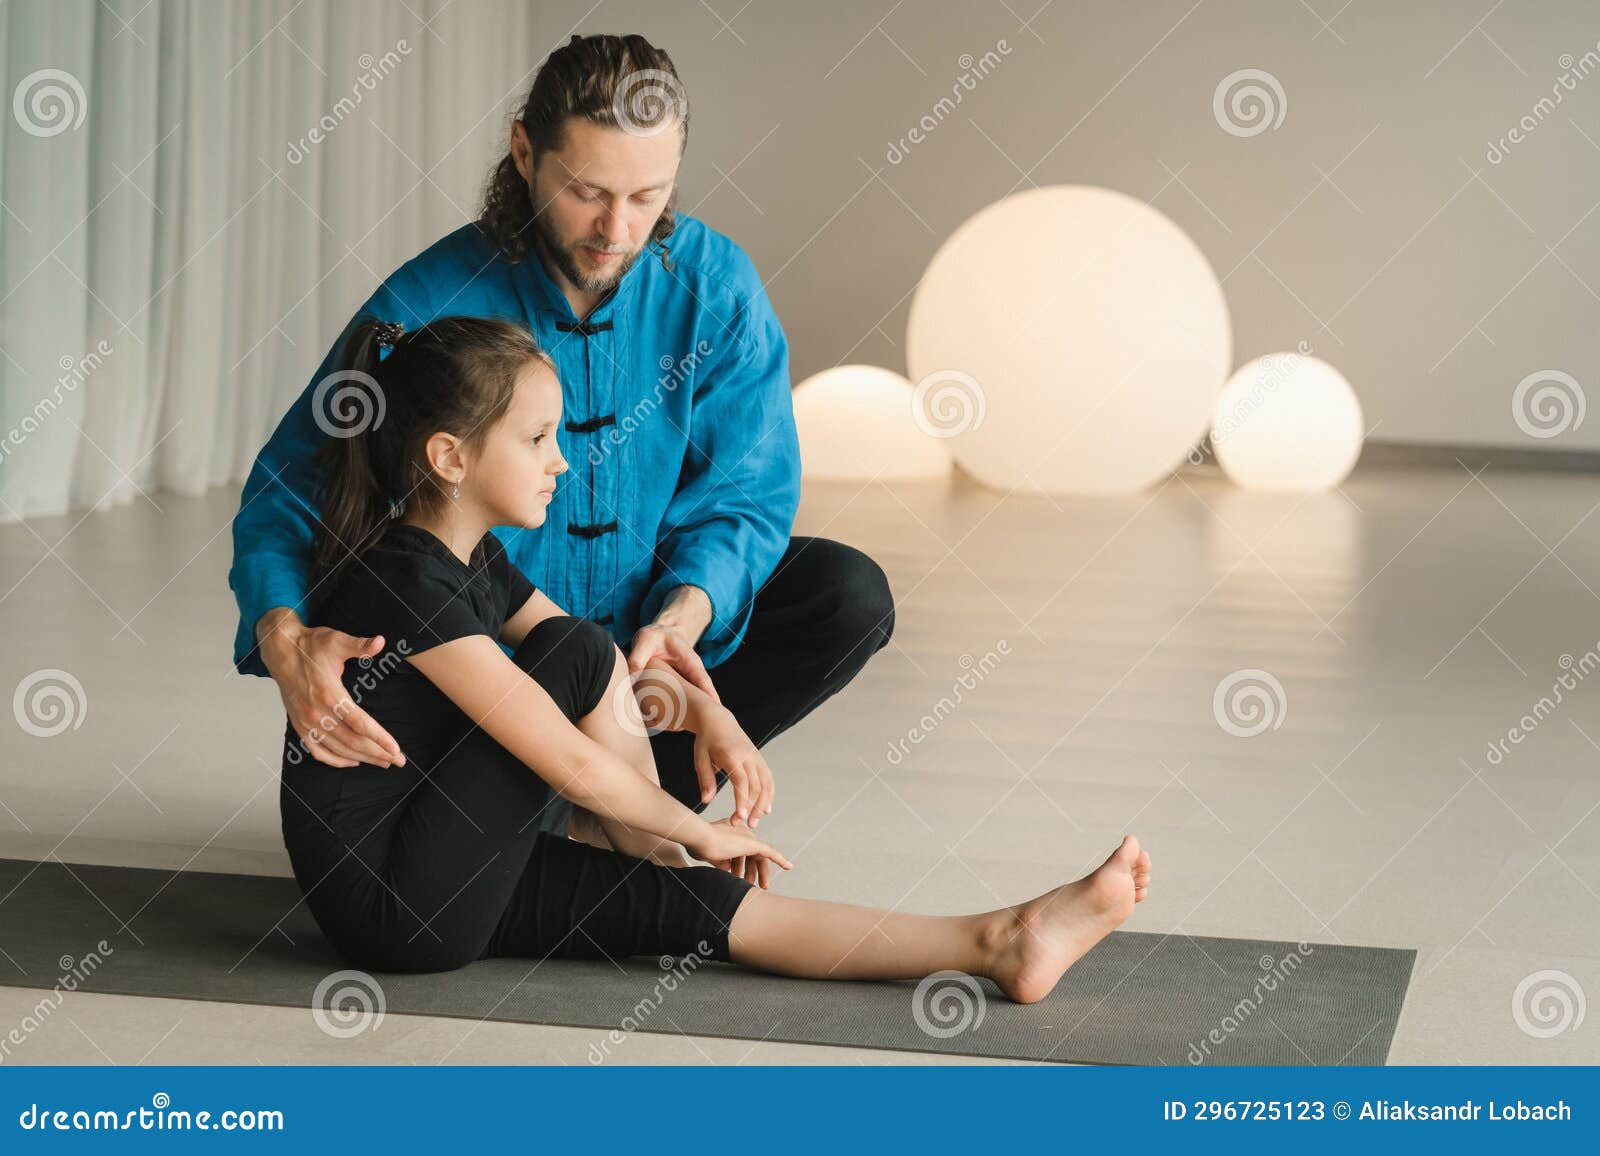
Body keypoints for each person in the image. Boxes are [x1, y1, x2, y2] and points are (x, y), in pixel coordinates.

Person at [280, 313, 1153, 1000]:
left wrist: (710, 713)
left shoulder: (478, 561)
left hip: (448, 878)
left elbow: (617, 678)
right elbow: (575, 759)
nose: (562, 460)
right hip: (397, 900)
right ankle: (657, 856)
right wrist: (693, 829)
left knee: (703, 909)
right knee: (575, 651)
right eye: (538, 438)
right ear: (450, 457)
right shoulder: (401, 579)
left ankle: (1002, 942)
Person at [230, 33, 895, 840]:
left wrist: (684, 615)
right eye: (585, 191)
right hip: (486, 672)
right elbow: (292, 489)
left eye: (648, 197)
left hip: (637, 669)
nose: (617, 230)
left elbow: (746, 492)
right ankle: (555, 811)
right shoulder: (428, 299)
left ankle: (617, 807)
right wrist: (284, 636)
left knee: (845, 594)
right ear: (523, 153)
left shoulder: (717, 287)